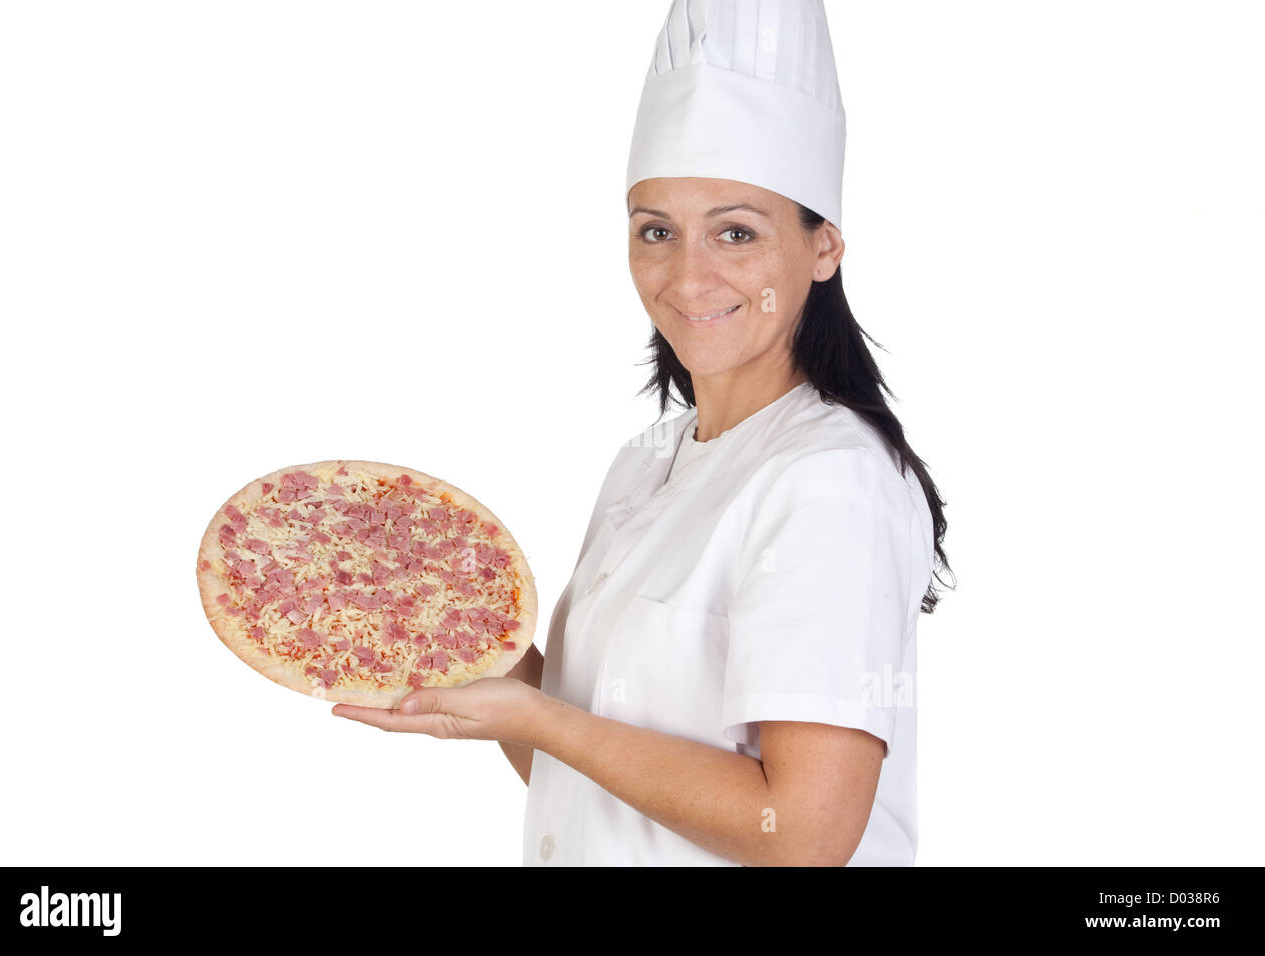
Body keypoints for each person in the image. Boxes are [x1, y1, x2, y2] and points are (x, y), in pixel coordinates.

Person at [332, 0, 953, 866]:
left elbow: (807, 834)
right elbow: (587, 769)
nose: (688, 275)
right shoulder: (646, 465)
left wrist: (540, 713)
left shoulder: (829, 478)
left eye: (736, 231)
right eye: (656, 231)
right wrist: (476, 653)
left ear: (824, 247)